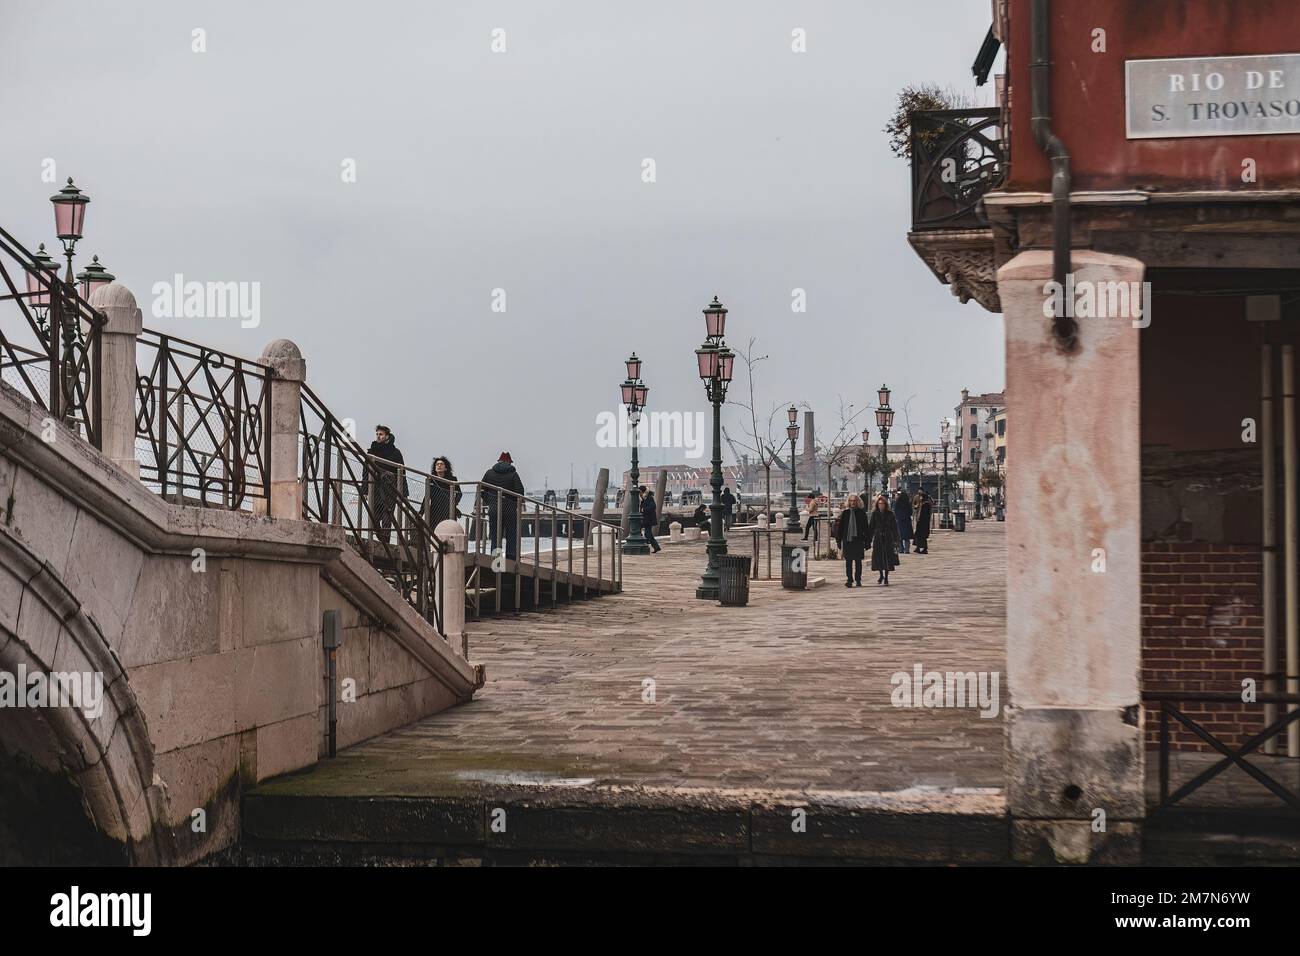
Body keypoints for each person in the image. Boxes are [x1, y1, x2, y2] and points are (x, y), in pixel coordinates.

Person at [363, 425, 408, 544]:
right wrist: (365, 490)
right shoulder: (372, 451)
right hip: (374, 487)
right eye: (377, 434)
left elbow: (401, 472)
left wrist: (404, 491)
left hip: (390, 488)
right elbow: (365, 471)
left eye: (381, 434)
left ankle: (386, 543)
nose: (378, 436)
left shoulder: (395, 452)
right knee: (374, 517)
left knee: (387, 516)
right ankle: (381, 537)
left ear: (387, 436)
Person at [481, 451, 525, 559]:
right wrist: (514, 503)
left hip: (494, 509)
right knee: (511, 536)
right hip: (510, 510)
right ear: (509, 462)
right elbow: (520, 492)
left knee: (496, 536)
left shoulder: (489, 473)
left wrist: (490, 501)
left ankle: (496, 562)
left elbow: (481, 490)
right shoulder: (513, 474)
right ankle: (511, 561)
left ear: (499, 461)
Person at [833, 494, 870, 587]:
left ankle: (858, 579)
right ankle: (849, 579)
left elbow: (866, 528)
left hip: (858, 540)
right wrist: (838, 540)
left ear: (857, 502)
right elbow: (841, 528)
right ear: (848, 502)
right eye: (851, 501)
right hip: (848, 540)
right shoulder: (845, 513)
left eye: (854, 501)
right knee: (848, 561)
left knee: (858, 561)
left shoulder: (862, 513)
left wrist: (867, 541)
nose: (852, 502)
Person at [868, 493, 901, 585]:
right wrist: (868, 539)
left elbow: (894, 528)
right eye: (879, 504)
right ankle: (881, 574)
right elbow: (871, 527)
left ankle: (886, 577)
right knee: (878, 557)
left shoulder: (890, 514)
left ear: (885, 504)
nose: (881, 505)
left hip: (888, 537)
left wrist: (896, 540)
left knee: (887, 557)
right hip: (878, 538)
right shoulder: (875, 514)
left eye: (882, 504)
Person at [422, 455, 463, 527]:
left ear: (446, 467)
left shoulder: (452, 480)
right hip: (435, 510)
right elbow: (426, 497)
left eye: (441, 464)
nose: (439, 465)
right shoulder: (431, 479)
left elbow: (459, 494)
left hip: (448, 510)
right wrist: (421, 512)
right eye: (437, 464)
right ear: (435, 468)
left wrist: (453, 504)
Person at [639, 486, 662, 553]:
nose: (639, 494)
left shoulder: (649, 498)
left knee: (647, 534)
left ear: (643, 492)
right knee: (650, 535)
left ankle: (645, 547)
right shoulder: (643, 498)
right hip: (645, 519)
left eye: (640, 492)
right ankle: (656, 547)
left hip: (649, 519)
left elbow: (653, 506)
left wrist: (644, 509)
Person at [894, 488, 914, 555]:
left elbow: (895, 511)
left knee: (900, 536)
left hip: (899, 520)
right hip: (906, 521)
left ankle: (901, 549)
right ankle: (907, 550)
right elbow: (910, 512)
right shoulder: (907, 503)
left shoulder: (897, 502)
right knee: (906, 537)